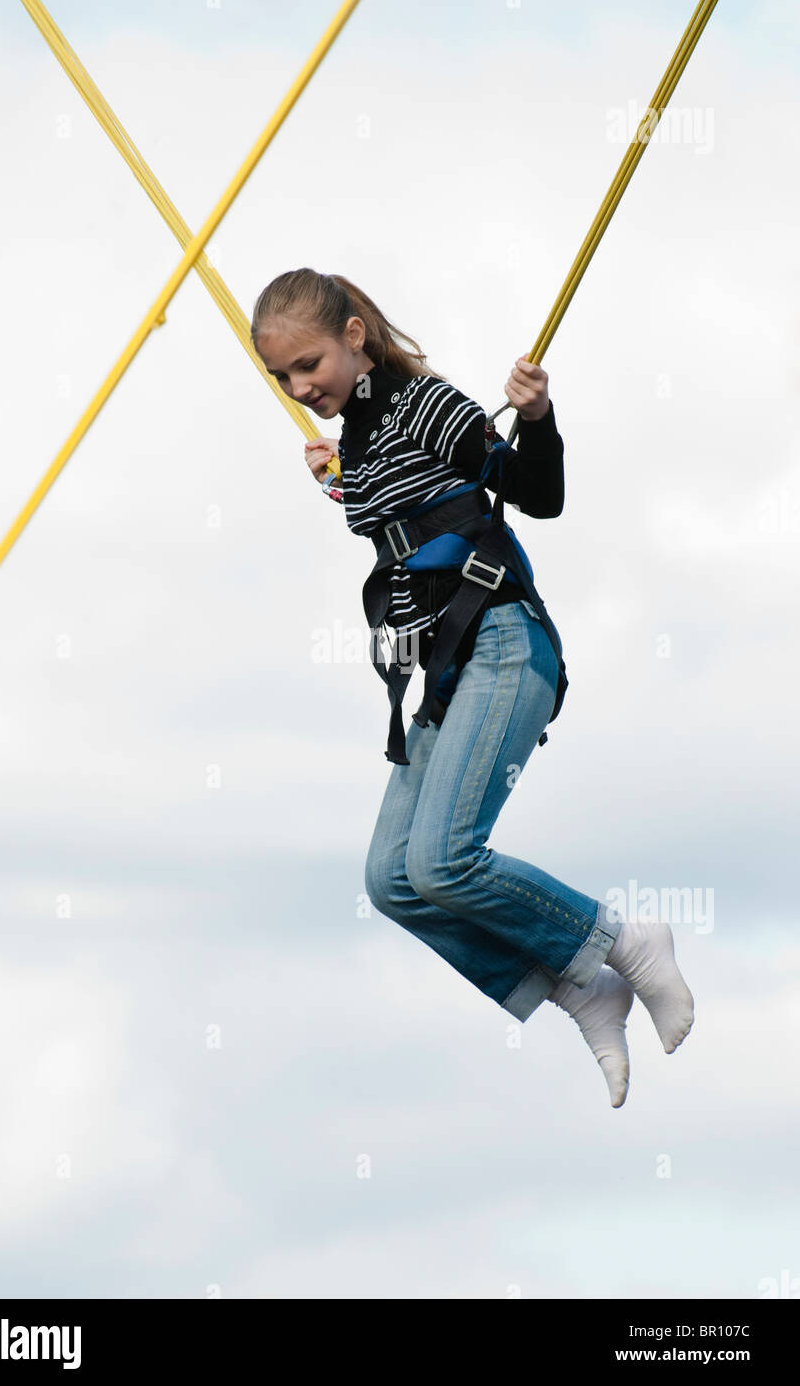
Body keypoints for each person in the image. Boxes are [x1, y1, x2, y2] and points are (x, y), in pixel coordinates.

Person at [250, 267, 694, 1108]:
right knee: (392, 880)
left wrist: (537, 420)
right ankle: (579, 988)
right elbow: (410, 508)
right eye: (283, 378)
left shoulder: (425, 406)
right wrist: (335, 482)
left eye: (308, 365)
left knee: (442, 862)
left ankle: (625, 940)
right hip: (449, 675)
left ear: (353, 336)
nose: (301, 387)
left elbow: (539, 495)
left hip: (502, 644)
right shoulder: (367, 439)